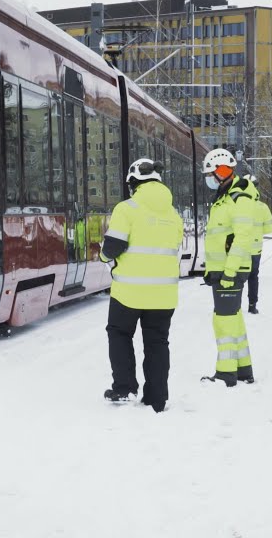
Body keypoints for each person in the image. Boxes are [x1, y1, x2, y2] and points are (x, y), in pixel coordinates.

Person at [99, 158, 184, 412]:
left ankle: (124, 389)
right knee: (157, 343)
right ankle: (157, 398)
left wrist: (103, 257)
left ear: (134, 182)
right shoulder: (174, 215)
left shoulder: (127, 208)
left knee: (120, 334)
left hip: (129, 292)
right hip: (164, 295)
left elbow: (112, 247)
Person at [200, 149, 257, 387]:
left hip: (229, 271)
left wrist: (229, 272)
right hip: (221, 269)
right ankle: (243, 369)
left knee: (223, 321)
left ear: (221, 171)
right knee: (234, 320)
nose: (209, 179)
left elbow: (243, 238)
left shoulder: (238, 198)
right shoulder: (225, 198)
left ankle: (225, 373)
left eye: (211, 174)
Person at [242, 175, 272, 314]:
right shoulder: (262, 207)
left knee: (238, 277)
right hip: (255, 249)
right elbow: (269, 229)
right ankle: (252, 305)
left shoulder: (236, 205)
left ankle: (235, 304)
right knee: (253, 277)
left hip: (239, 248)